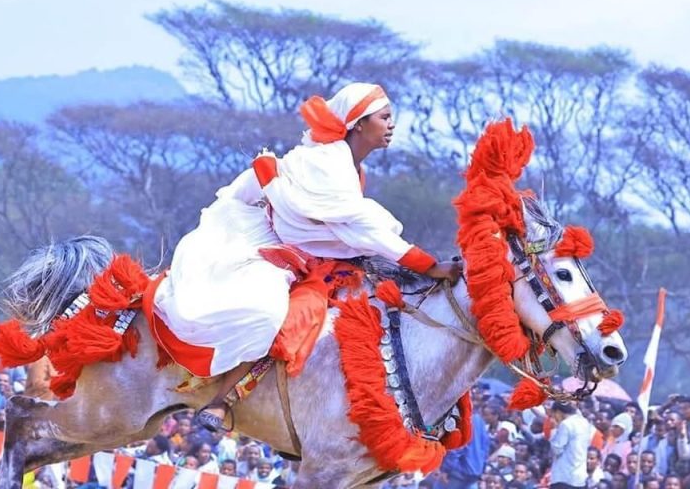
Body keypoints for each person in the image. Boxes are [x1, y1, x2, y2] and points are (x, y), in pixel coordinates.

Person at [154, 82, 462, 431]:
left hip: (324, 260)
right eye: (385, 117)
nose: (392, 125)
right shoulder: (327, 163)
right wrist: (430, 266)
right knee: (272, 317)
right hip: (278, 251)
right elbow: (369, 230)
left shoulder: (353, 168)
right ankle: (221, 401)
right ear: (359, 123)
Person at [549, 401, 593, 489]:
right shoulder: (584, 422)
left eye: (554, 415)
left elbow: (556, 449)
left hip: (564, 477)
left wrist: (555, 430)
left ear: (558, 412)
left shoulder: (565, 424)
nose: (554, 418)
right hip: (579, 477)